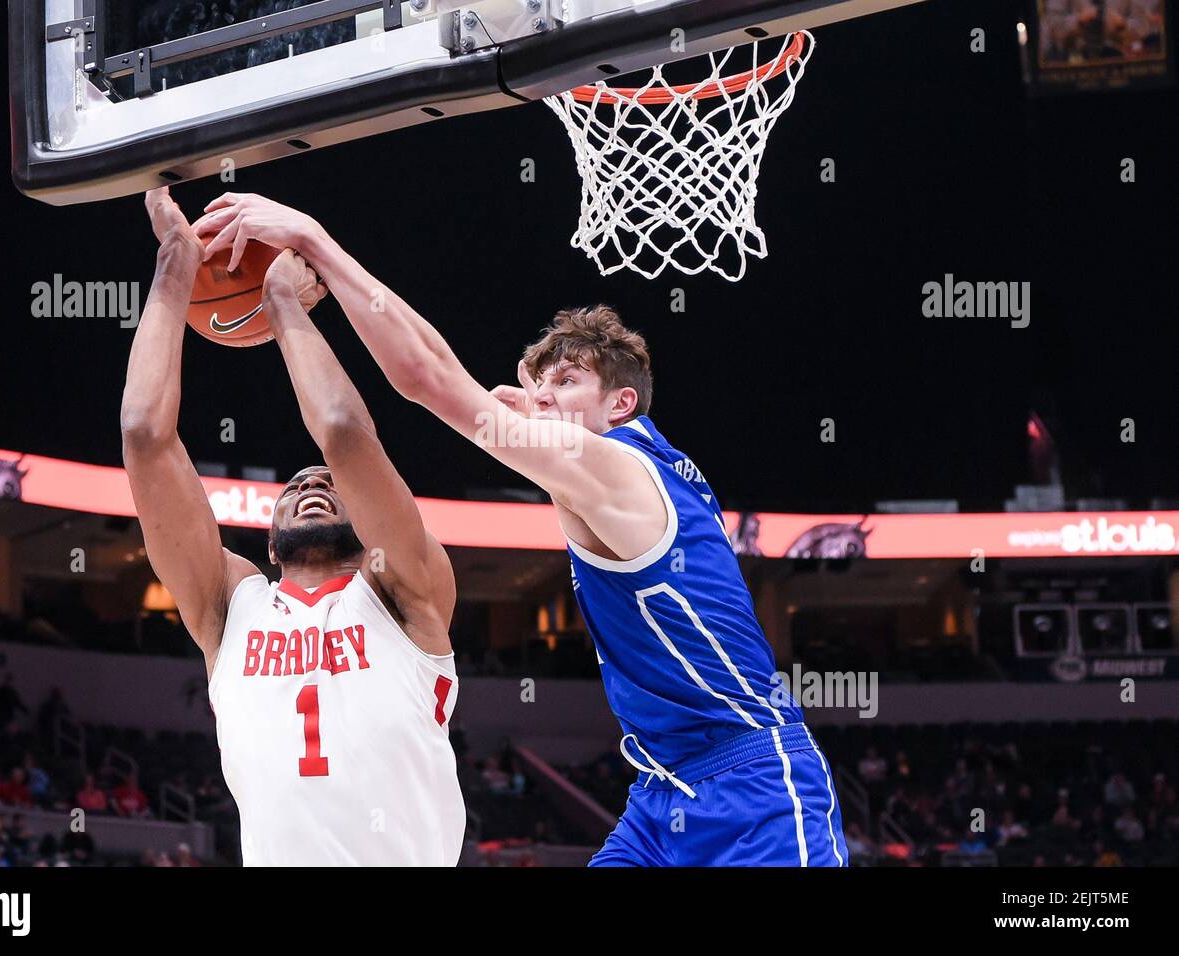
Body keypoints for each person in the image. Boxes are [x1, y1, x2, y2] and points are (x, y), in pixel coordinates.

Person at [192, 193, 847, 866]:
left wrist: (314, 238)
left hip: (754, 785)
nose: (541, 397)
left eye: (564, 381)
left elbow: (429, 377)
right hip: (662, 793)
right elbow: (444, 373)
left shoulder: (620, 467)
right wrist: (522, 411)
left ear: (621, 404)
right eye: (535, 386)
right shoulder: (607, 477)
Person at [121, 188, 464, 865]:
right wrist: (174, 268)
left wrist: (281, 307)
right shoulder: (230, 603)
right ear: (268, 539)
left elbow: (341, 431)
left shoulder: (403, 590)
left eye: (326, 483)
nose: (311, 483)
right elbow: (143, 433)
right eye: (296, 485)